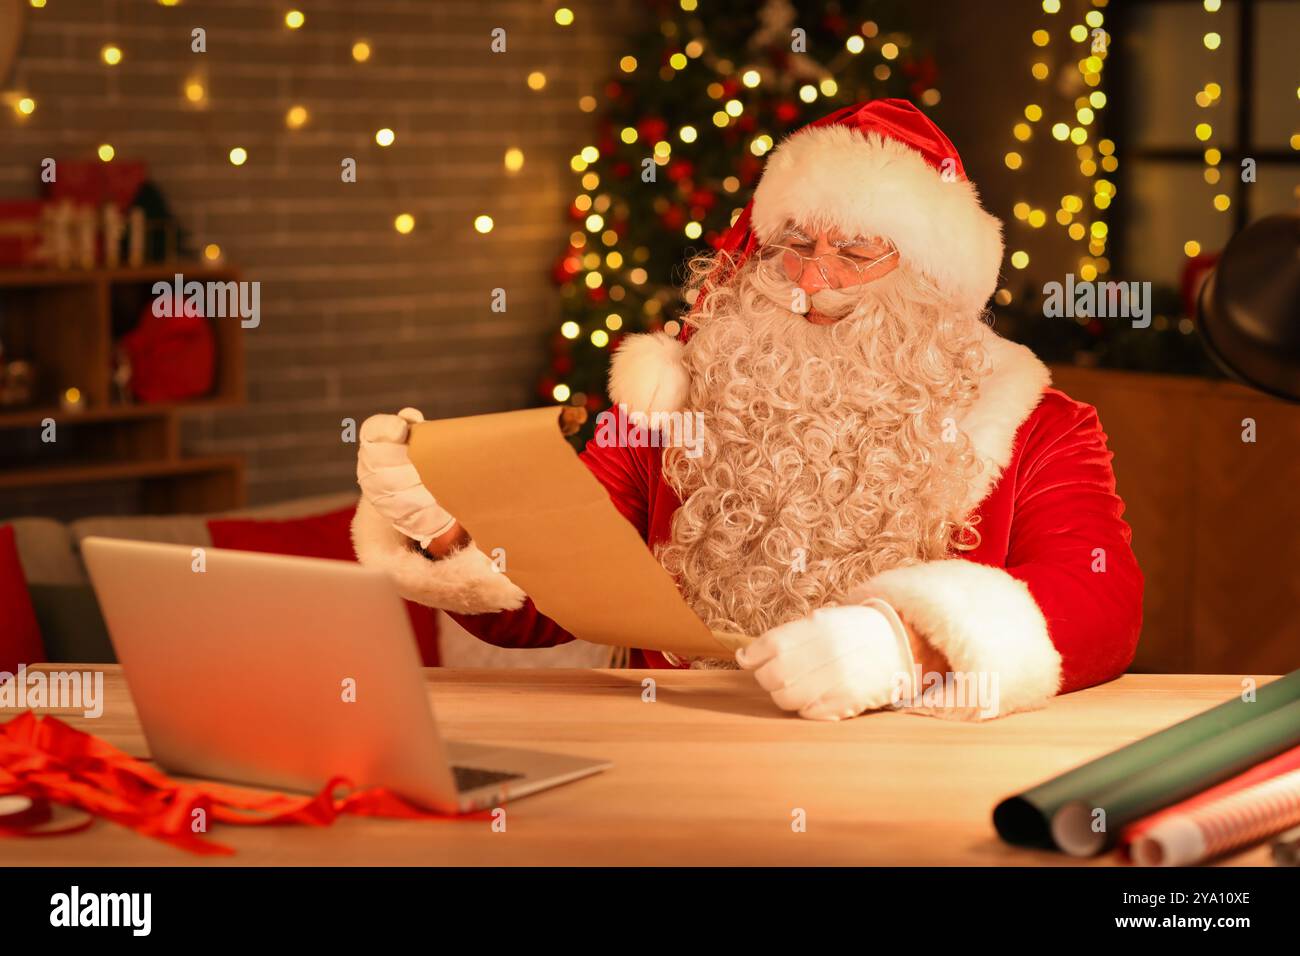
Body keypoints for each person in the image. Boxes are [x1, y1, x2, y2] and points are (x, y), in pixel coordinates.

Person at [352, 99, 1143, 722]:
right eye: (793, 241)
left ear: (934, 277)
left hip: (912, 762)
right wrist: (448, 525)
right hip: (671, 756)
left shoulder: (1036, 424)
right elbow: (547, 600)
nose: (812, 277)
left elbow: (1102, 600)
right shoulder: (669, 404)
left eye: (859, 250)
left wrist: (906, 650)